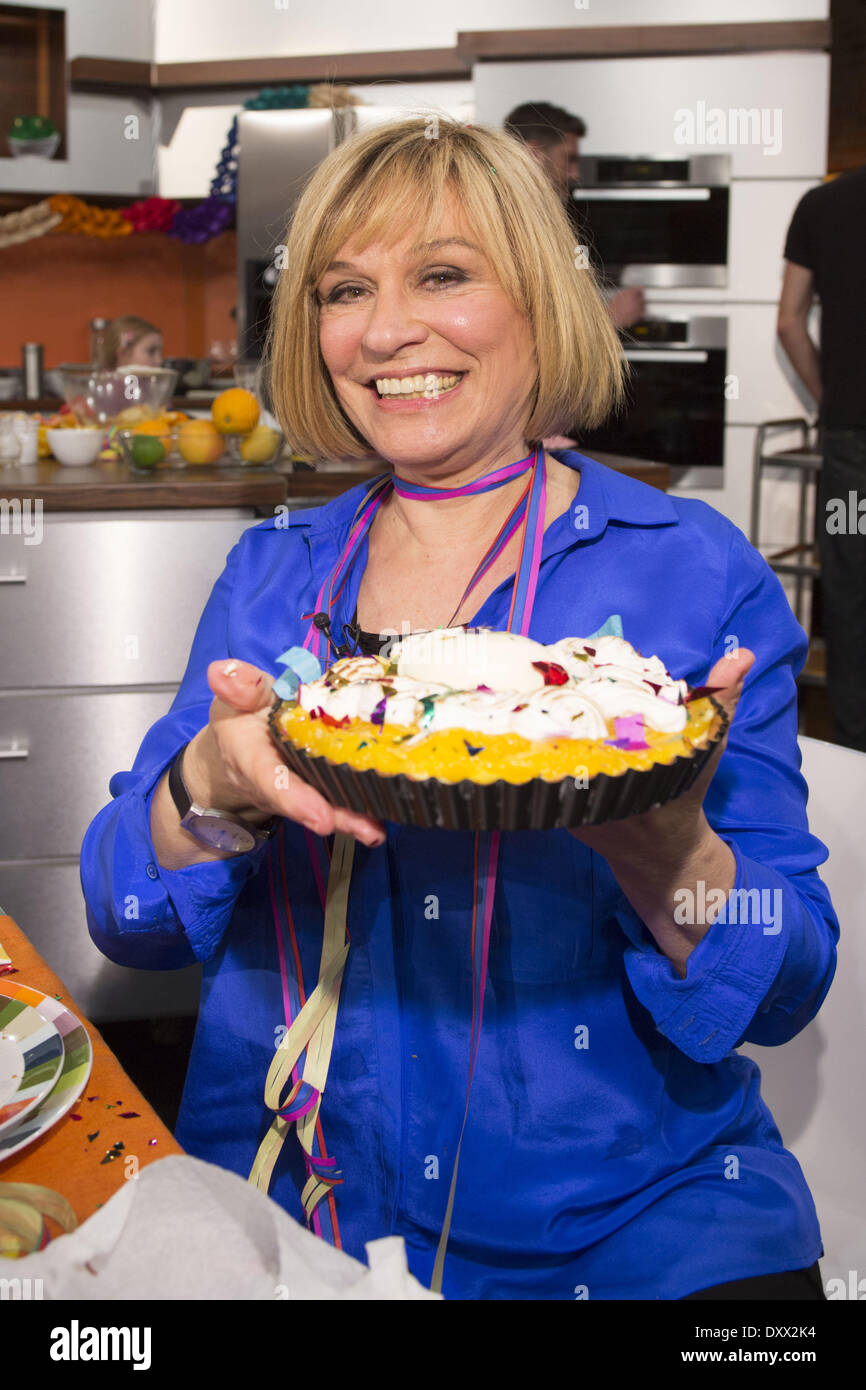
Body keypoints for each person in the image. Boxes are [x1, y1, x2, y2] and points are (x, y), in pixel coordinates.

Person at [81, 117, 838, 1301]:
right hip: (296, 1212)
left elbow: (785, 984)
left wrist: (667, 843)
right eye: (344, 290)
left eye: (442, 274)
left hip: (634, 1233)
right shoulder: (275, 573)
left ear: (539, 299)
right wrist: (209, 792)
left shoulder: (688, 577)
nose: (385, 331)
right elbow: (126, 916)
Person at [777, 165, 866, 752]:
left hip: (852, 448)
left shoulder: (823, 204)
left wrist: (829, 401)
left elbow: (789, 322)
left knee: (851, 588)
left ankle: (857, 751)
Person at [504, 101, 645, 332]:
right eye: (569, 159)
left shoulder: (538, 221)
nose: (575, 174)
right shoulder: (507, 226)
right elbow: (527, 339)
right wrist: (609, 320)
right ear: (534, 154)